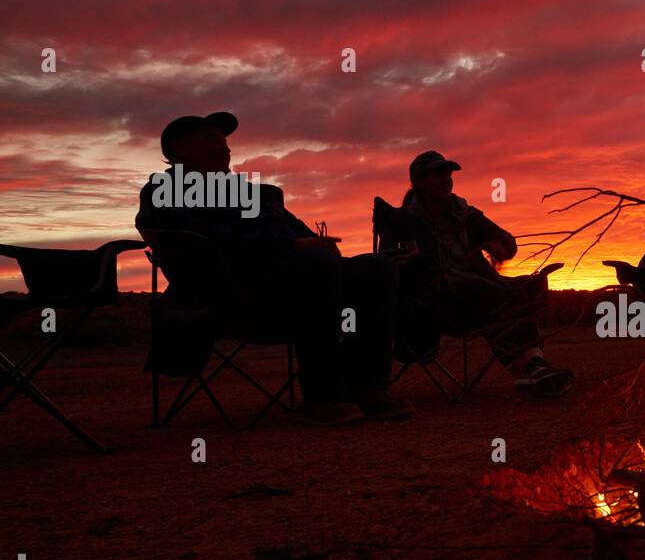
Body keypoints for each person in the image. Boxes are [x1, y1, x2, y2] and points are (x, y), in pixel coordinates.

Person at [136, 111, 413, 425]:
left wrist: (315, 244)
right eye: (213, 140)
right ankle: (323, 396)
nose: (225, 149)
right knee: (316, 263)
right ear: (179, 149)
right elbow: (207, 240)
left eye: (226, 143)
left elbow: (300, 232)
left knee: (377, 267)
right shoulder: (166, 191)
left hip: (297, 282)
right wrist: (290, 247)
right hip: (231, 290)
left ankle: (367, 390)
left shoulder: (248, 193)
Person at [378, 150, 573, 399]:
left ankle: (531, 366)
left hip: (480, 293)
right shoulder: (402, 221)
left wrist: (501, 245)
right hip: (436, 299)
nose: (446, 179)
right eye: (438, 174)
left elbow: (505, 243)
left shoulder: (465, 214)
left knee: (528, 286)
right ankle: (530, 366)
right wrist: (406, 263)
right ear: (419, 181)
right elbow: (385, 261)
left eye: (448, 173)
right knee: (496, 294)